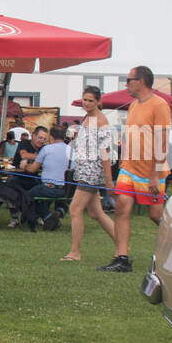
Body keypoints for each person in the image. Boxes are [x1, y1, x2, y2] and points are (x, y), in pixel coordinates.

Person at [99, 65, 171, 272]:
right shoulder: (132, 106)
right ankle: (122, 257)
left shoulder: (159, 105)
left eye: (129, 79)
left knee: (156, 215)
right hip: (128, 168)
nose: (126, 84)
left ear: (141, 81)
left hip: (150, 172)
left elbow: (162, 141)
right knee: (121, 209)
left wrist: (155, 176)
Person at [61, 86, 116, 261]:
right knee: (96, 213)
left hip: (92, 172)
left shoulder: (101, 120)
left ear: (98, 101)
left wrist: (108, 180)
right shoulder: (87, 117)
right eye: (85, 99)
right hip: (84, 169)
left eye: (90, 100)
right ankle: (123, 245)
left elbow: (105, 151)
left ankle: (75, 252)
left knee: (75, 208)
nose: (86, 103)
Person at [29, 126, 71, 231]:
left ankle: (47, 215)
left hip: (48, 188)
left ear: (51, 138)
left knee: (28, 195)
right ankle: (59, 212)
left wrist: (24, 165)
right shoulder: (71, 150)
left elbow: (32, 169)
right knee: (68, 198)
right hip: (66, 189)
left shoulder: (46, 149)